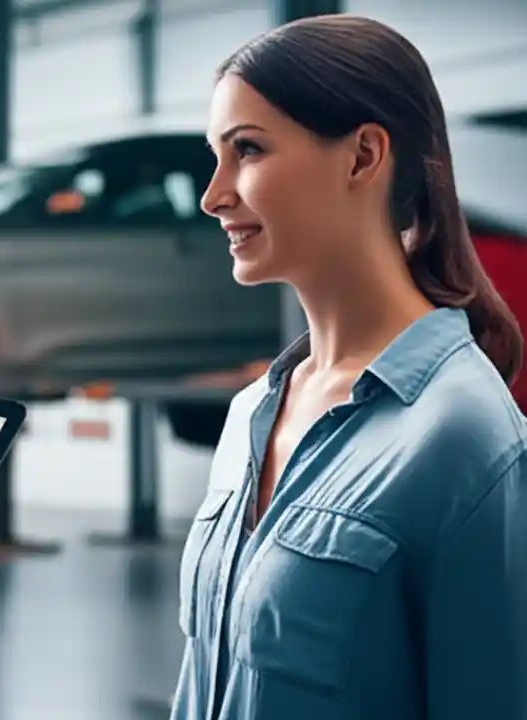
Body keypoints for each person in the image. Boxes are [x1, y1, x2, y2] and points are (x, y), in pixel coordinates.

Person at [174, 14, 526, 720]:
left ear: (363, 156)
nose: (214, 194)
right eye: (217, 155)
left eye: (247, 150)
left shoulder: (465, 440)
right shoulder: (250, 415)